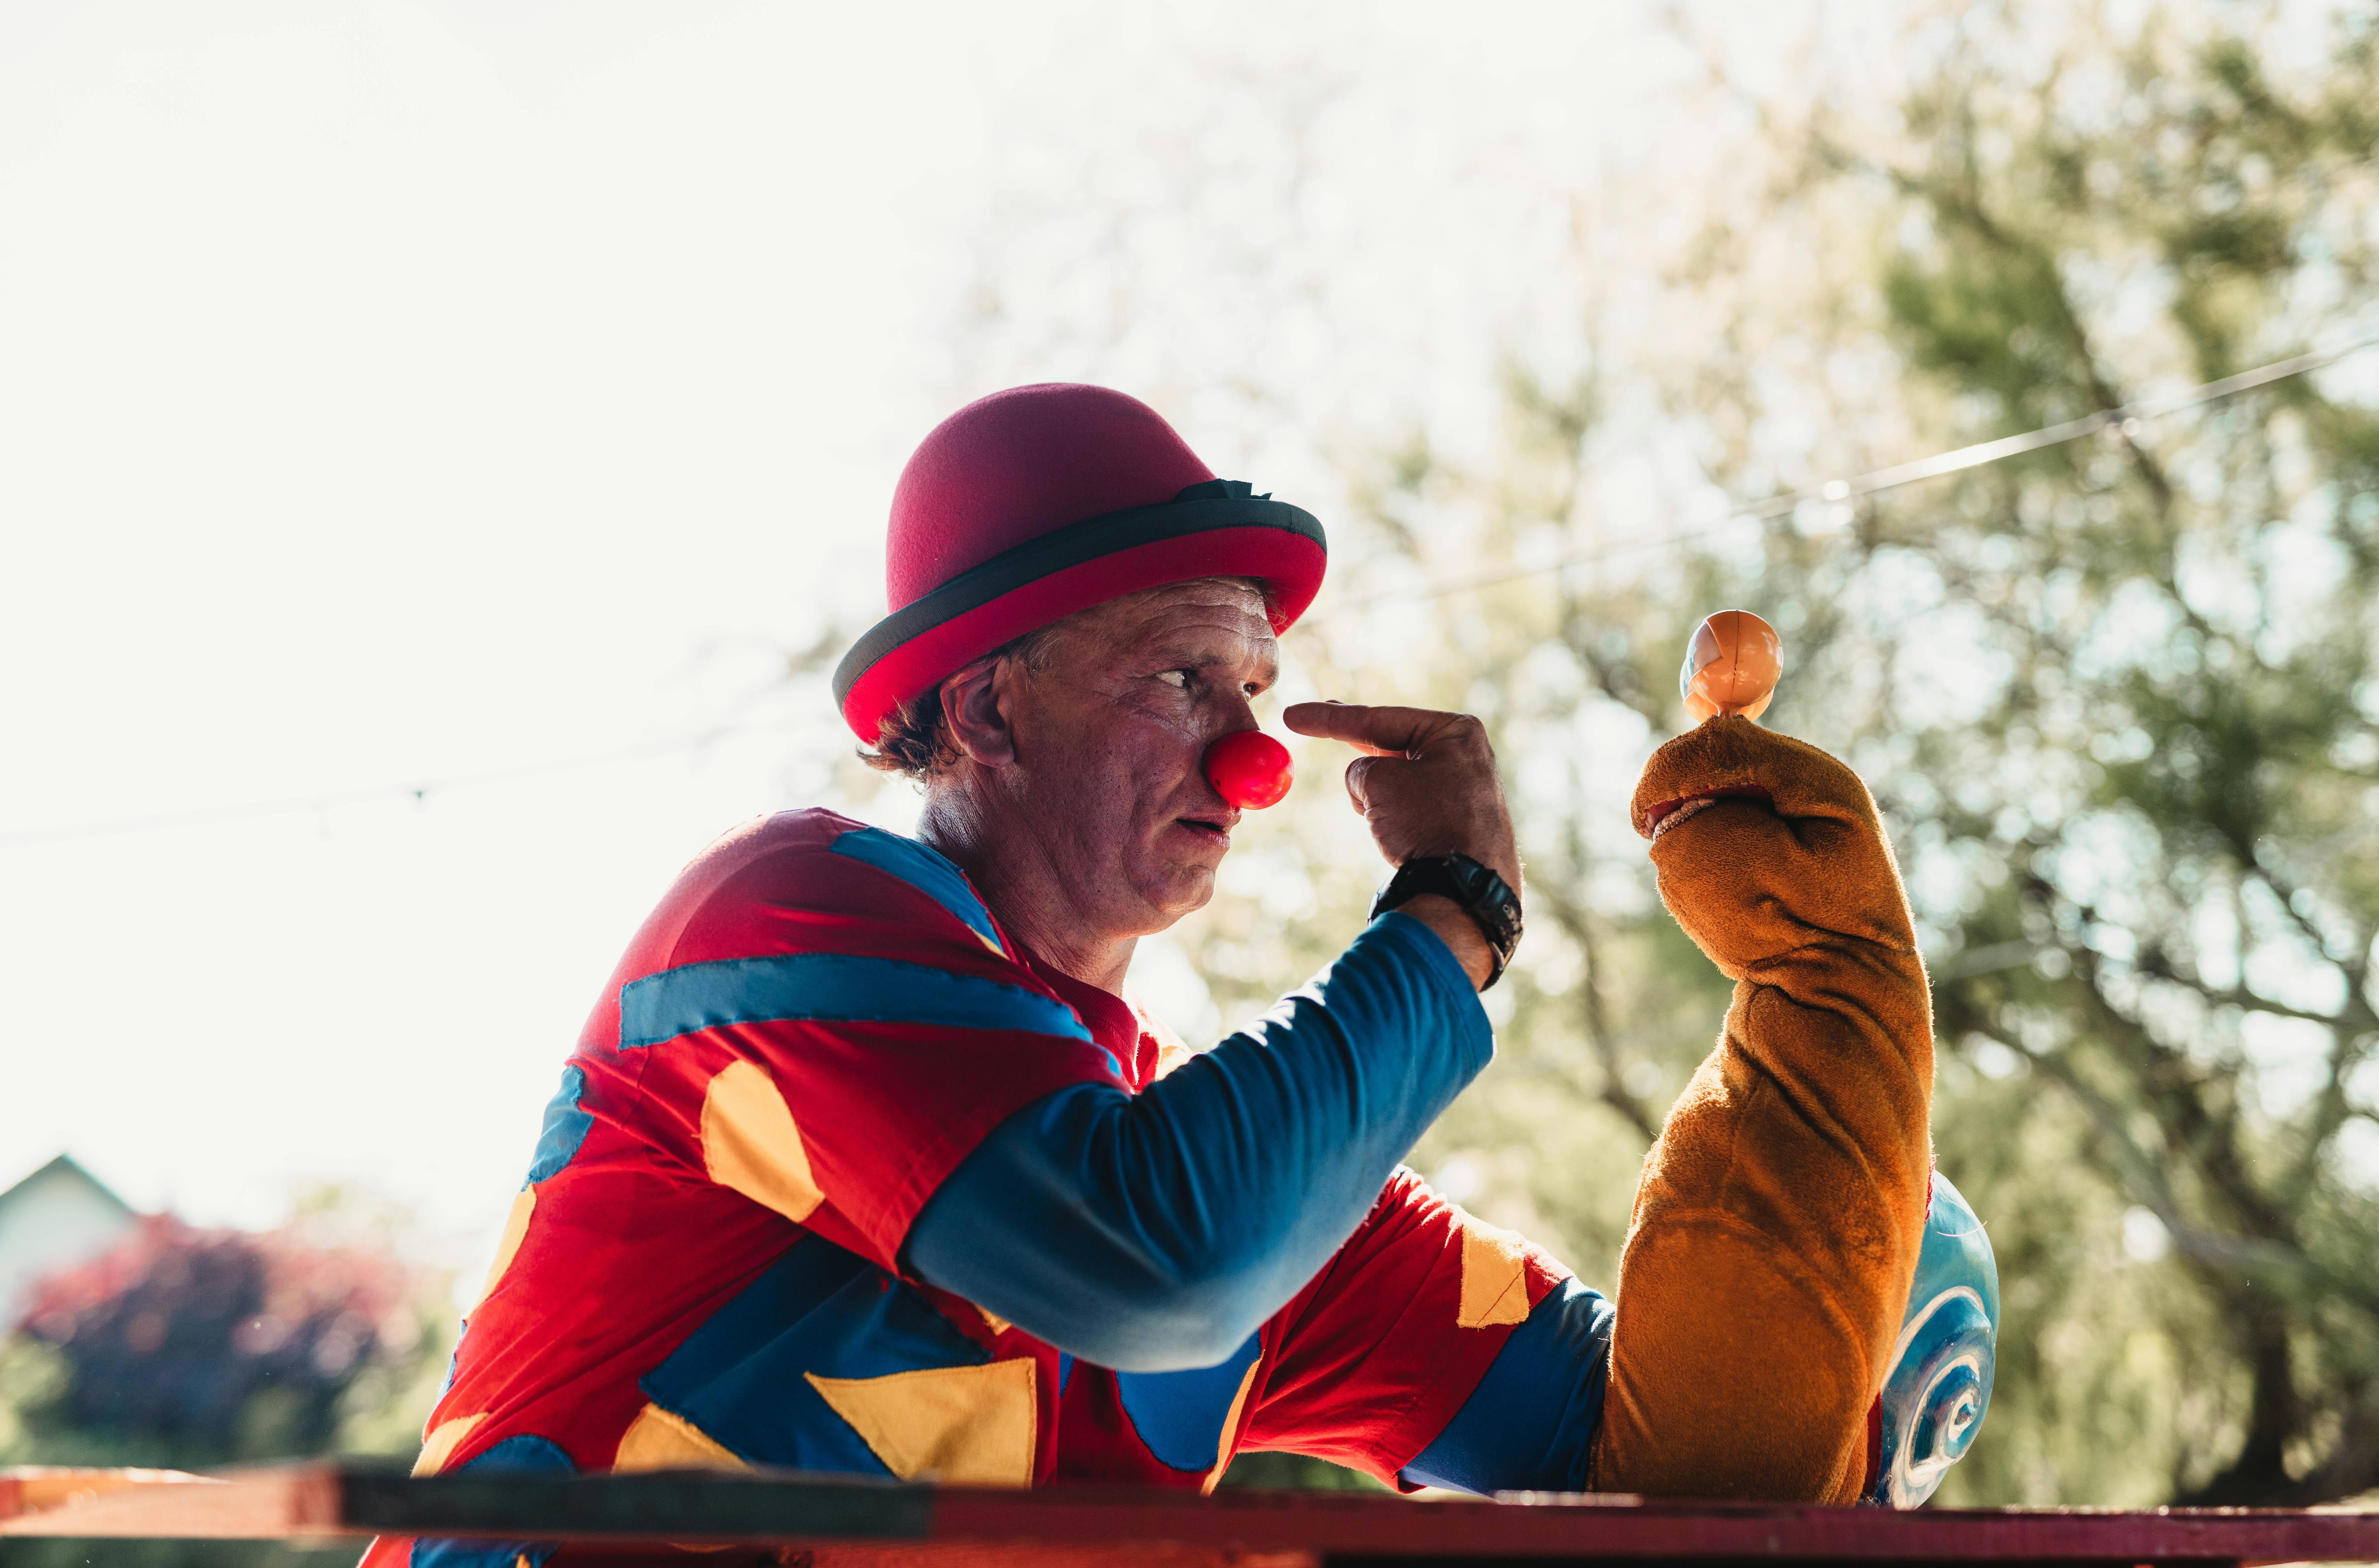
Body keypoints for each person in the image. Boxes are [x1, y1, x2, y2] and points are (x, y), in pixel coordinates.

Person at [366, 384, 1993, 1568]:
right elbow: (1153, 1258)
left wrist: (1830, 1051)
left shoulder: (1237, 1175)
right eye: (1179, 674)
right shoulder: (771, 925)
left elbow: (1627, 1466)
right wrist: (1448, 912)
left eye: (1261, 683)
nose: (1251, 753)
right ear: (990, 712)